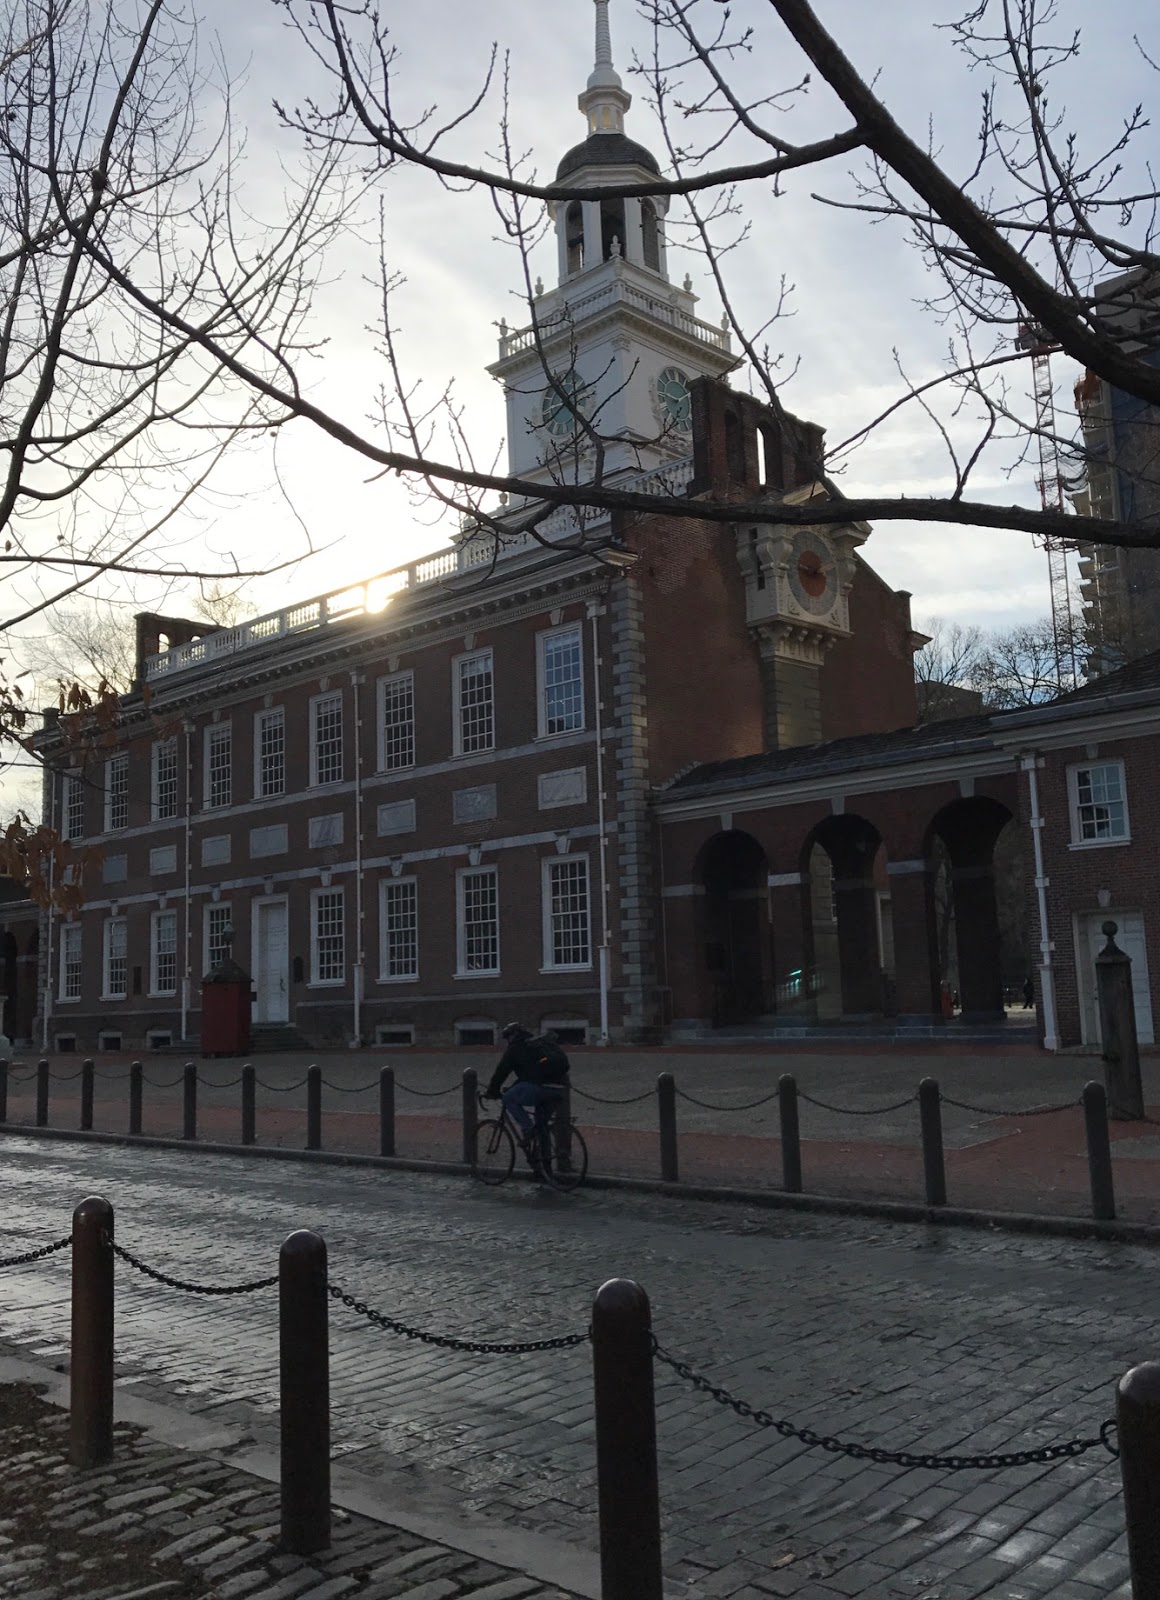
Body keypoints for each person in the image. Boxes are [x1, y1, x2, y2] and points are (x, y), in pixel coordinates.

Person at [484, 1023, 570, 1171]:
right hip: (559, 1088)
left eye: (507, 1038)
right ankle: (545, 1170)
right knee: (541, 1126)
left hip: (539, 1087)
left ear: (512, 1036)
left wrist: (492, 1091)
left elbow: (501, 1072)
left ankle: (527, 1128)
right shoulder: (538, 1044)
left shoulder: (515, 1048)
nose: (508, 1041)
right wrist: (514, 1087)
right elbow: (529, 1073)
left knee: (508, 1098)